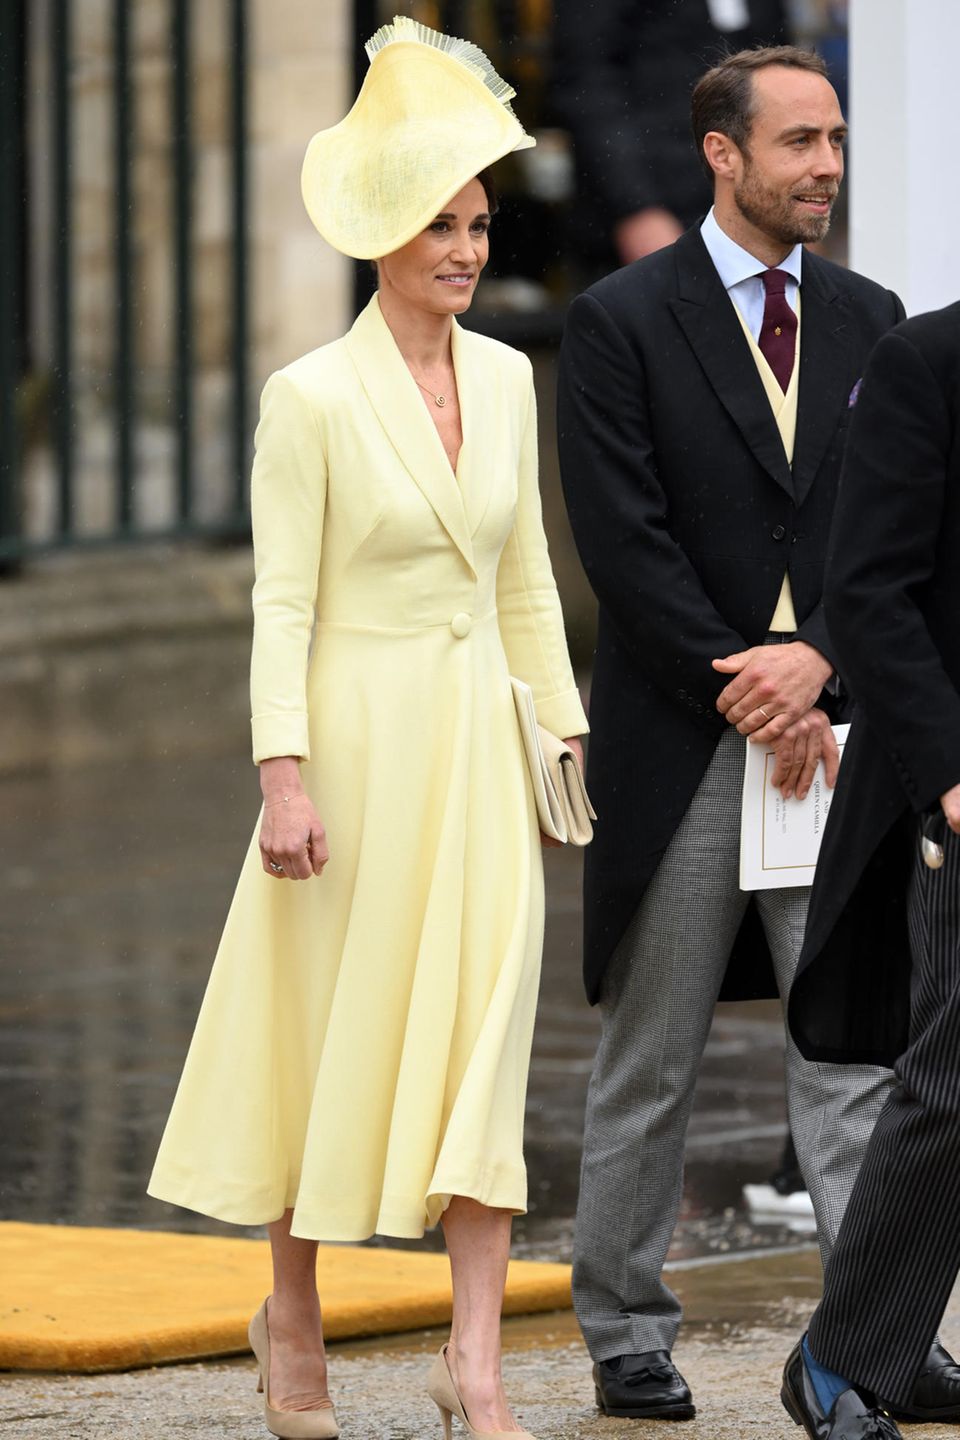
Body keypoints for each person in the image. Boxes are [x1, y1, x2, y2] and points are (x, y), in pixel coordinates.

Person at [148, 17, 588, 1440]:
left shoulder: (516, 382)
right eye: (441, 222)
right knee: (322, 1037)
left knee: (486, 1042)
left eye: (479, 221)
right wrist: (282, 777)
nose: (466, 248)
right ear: (385, 228)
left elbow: (523, 577)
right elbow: (281, 604)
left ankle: (474, 1365)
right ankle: (296, 1321)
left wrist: (561, 747)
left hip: (475, 750)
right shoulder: (311, 398)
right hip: (351, 751)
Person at [557, 44, 915, 1421]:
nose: (826, 165)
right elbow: (623, 545)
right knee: (652, 1053)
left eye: (835, 140)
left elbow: (891, 526)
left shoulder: (870, 312)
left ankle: (879, 1330)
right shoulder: (620, 321)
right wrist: (749, 680)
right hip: (686, 739)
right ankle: (625, 1331)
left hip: (835, 735)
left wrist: (818, 664)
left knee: (852, 1055)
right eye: (800, 142)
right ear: (723, 154)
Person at [783, 302, 960, 1438]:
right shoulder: (926, 362)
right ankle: (839, 1361)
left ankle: (885, 1343)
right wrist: (949, 771)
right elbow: (869, 593)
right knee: (952, 1087)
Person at [553, 0, 788, 268]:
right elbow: (588, 85)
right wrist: (637, 207)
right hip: (652, 208)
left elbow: (776, 66)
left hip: (748, 207)